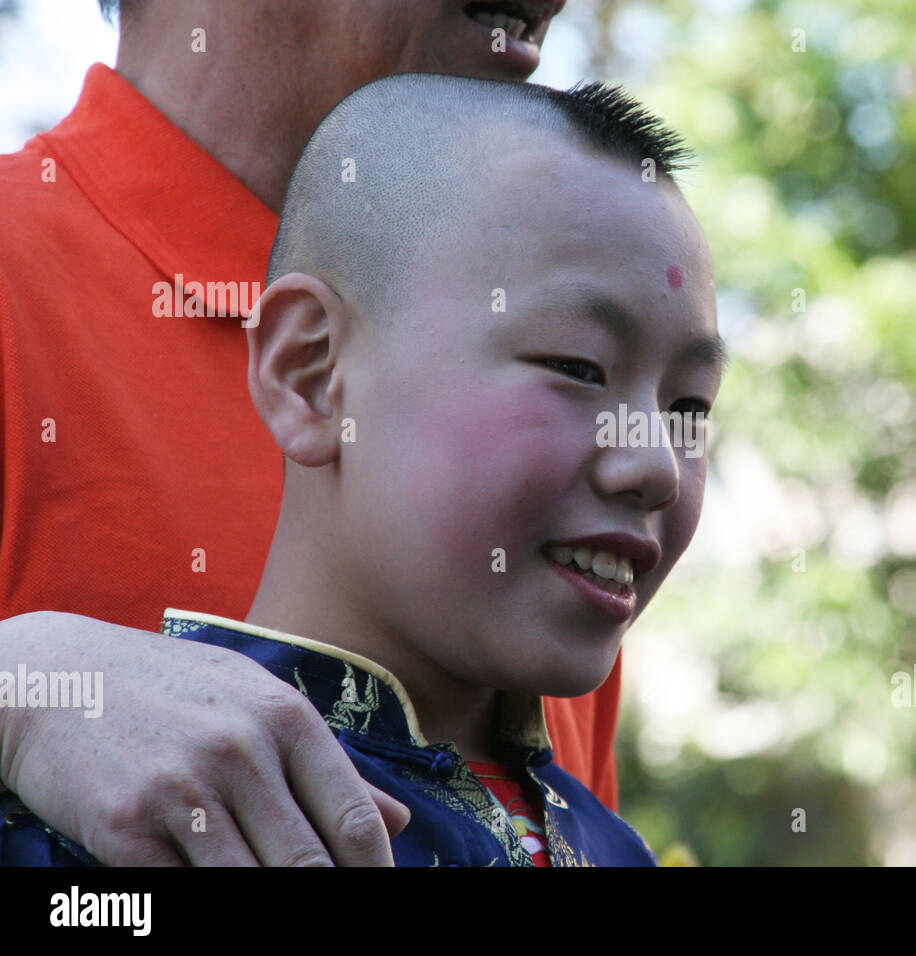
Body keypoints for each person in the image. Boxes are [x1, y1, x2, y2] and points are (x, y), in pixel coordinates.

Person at [0, 70, 724, 866]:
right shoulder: (133, 813)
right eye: (577, 367)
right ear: (312, 372)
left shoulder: (613, 847)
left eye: (691, 408)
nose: (657, 462)